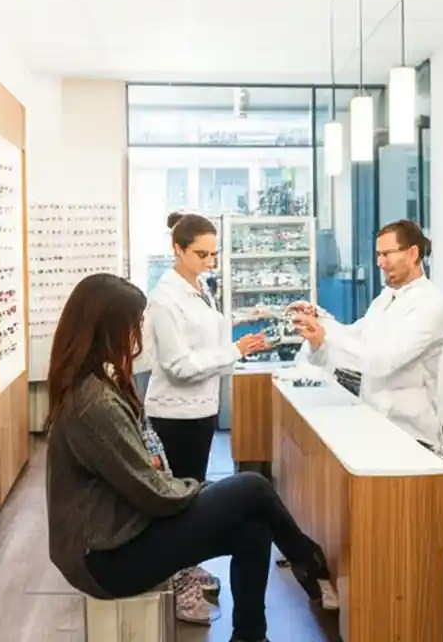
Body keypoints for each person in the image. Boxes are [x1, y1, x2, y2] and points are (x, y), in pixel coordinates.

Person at [45, 273, 336, 642]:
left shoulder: (94, 386)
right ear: (108, 330)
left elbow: (147, 481)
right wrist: (202, 491)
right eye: (133, 326)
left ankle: (252, 635)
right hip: (105, 559)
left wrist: (201, 491)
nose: (138, 337)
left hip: (117, 534)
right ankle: (307, 559)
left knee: (253, 528)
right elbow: (153, 492)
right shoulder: (95, 404)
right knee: (252, 487)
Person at [135, 212, 270, 620]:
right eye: (201, 254)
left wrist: (239, 337)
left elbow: (204, 341)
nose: (210, 262)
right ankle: (177, 584)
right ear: (177, 249)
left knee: (189, 497)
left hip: (198, 410)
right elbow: (178, 365)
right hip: (175, 415)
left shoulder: (198, 286)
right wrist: (235, 350)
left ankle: (186, 568)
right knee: (175, 503)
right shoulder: (165, 299)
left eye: (214, 254)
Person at [289, 219, 443, 458]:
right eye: (378, 255)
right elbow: (356, 335)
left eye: (387, 254)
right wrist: (319, 321)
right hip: (378, 424)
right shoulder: (385, 299)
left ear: (413, 253)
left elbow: (382, 361)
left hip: (412, 438)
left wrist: (326, 333)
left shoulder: (430, 305)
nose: (379, 263)